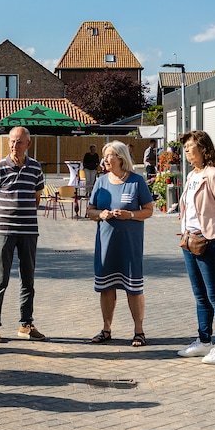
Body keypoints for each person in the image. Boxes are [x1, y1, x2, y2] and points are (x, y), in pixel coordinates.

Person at [176, 130, 215, 365]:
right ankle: (204, 342)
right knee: (200, 296)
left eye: (190, 147)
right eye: (185, 148)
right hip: (189, 240)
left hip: (208, 241)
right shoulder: (193, 175)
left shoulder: (214, 175)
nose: (186, 152)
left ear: (203, 149)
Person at [86, 142, 155, 347]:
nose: (105, 160)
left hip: (130, 245)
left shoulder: (136, 181)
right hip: (106, 244)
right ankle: (106, 329)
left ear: (121, 158)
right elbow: (89, 211)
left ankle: (139, 331)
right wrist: (101, 214)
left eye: (109, 156)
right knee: (106, 288)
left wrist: (130, 215)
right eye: (105, 156)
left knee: (133, 288)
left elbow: (149, 210)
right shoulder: (101, 182)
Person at [0, 126, 47, 343]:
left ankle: (26, 325)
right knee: (0, 280)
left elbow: (36, 199)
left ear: (28, 144)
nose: (14, 145)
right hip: (4, 232)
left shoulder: (36, 168)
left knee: (28, 280)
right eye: (11, 141)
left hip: (28, 232)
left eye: (19, 142)